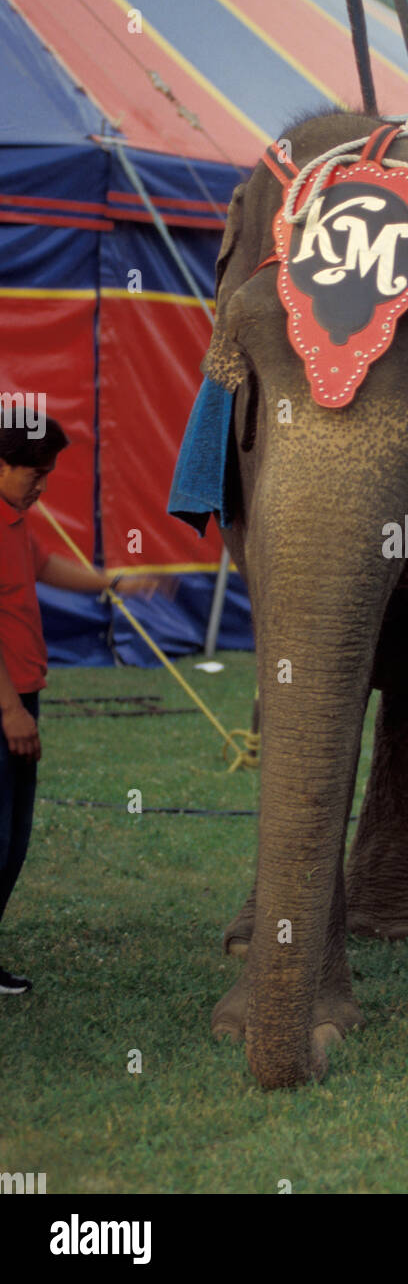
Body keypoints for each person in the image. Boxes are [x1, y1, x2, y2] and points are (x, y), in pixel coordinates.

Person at [0, 415, 157, 994]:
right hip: (7, 701)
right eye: (34, 474)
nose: (43, 486)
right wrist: (9, 710)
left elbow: (41, 566)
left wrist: (110, 581)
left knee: (14, 838)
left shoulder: (14, 519)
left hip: (25, 691)